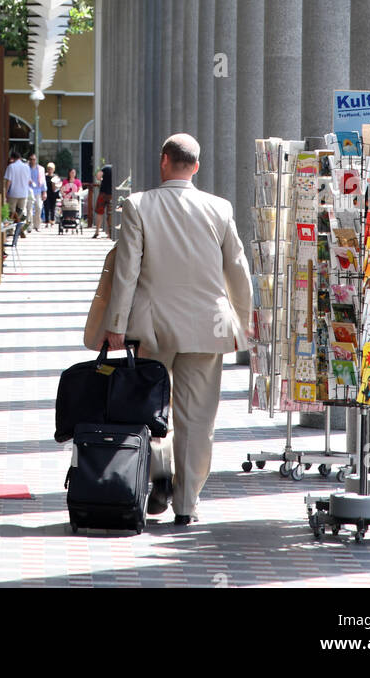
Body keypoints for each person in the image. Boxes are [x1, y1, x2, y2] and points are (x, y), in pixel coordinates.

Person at [105, 133, 253, 526]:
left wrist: (116, 324)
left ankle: (160, 476)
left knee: (150, 409)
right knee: (199, 418)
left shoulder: (137, 205)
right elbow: (237, 270)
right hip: (208, 327)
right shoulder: (219, 208)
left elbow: (127, 271)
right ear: (197, 167)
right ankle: (187, 503)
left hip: (154, 328)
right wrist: (246, 320)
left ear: (163, 161)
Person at [3, 151, 31, 237]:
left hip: (13, 193)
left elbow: (8, 181)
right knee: (20, 212)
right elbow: (29, 181)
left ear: (12, 158)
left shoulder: (11, 167)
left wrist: (5, 192)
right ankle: (20, 228)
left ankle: (11, 230)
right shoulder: (26, 167)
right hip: (23, 193)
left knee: (11, 212)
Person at [26, 152, 47, 232]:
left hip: (38, 191)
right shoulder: (26, 168)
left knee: (39, 207)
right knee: (29, 209)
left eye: (34, 159)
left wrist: (44, 192)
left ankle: (37, 225)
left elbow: (43, 181)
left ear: (36, 160)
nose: (32, 161)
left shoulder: (40, 169)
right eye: (31, 159)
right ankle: (29, 226)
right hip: (28, 191)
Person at [57, 167, 82, 234]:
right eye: (71, 172)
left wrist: (76, 194)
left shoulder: (78, 181)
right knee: (66, 204)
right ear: (69, 173)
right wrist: (64, 194)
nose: (73, 174)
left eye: (74, 173)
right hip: (66, 198)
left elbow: (80, 189)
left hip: (74, 198)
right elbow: (62, 190)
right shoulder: (65, 181)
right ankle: (67, 219)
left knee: (74, 205)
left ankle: (73, 220)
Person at [93, 163, 113, 239]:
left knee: (99, 212)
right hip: (111, 194)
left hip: (103, 192)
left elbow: (98, 176)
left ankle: (97, 231)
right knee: (110, 213)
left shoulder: (105, 167)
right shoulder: (117, 169)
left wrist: (102, 179)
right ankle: (109, 233)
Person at [44, 161, 61, 228]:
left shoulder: (55, 177)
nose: (50, 170)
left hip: (53, 194)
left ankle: (52, 221)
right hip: (46, 193)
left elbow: (59, 185)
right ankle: (46, 221)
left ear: (53, 169)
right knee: (46, 207)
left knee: (53, 208)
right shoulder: (45, 176)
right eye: (48, 168)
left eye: (51, 169)